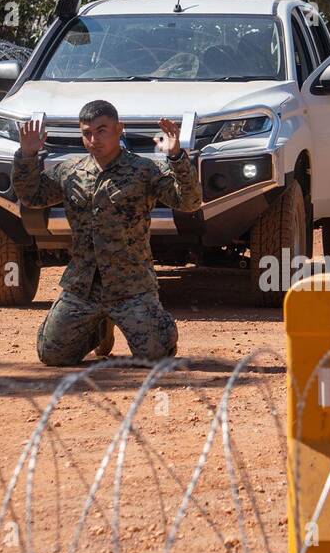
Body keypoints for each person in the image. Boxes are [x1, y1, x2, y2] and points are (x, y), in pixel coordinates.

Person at [13, 99, 203, 364]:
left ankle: (146, 323)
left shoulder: (143, 170)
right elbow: (32, 196)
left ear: (118, 129)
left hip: (131, 286)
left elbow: (189, 201)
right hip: (83, 286)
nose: (94, 139)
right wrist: (28, 155)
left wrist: (176, 158)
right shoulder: (70, 171)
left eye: (101, 130)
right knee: (52, 354)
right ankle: (98, 328)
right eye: (87, 133)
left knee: (155, 356)